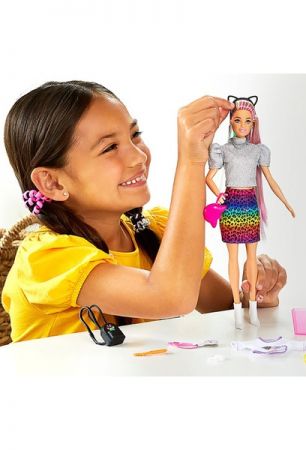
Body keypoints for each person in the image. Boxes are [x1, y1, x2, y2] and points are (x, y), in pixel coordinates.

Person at [1, 81, 287, 342]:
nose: (139, 156)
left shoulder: (155, 232)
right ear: (52, 182)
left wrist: (258, 294)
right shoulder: (45, 259)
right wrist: (191, 161)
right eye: (110, 147)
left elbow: (228, 311)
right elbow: (170, 297)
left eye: (134, 135)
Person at [206, 96, 295, 329]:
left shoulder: (258, 151)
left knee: (252, 258)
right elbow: (209, 178)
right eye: (237, 120)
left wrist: (285, 202)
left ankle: (253, 306)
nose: (243, 125)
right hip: (231, 205)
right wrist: (219, 194)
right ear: (231, 123)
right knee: (233, 258)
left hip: (250, 204)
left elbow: (270, 180)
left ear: (253, 123)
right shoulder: (223, 150)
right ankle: (237, 308)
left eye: (248, 121)